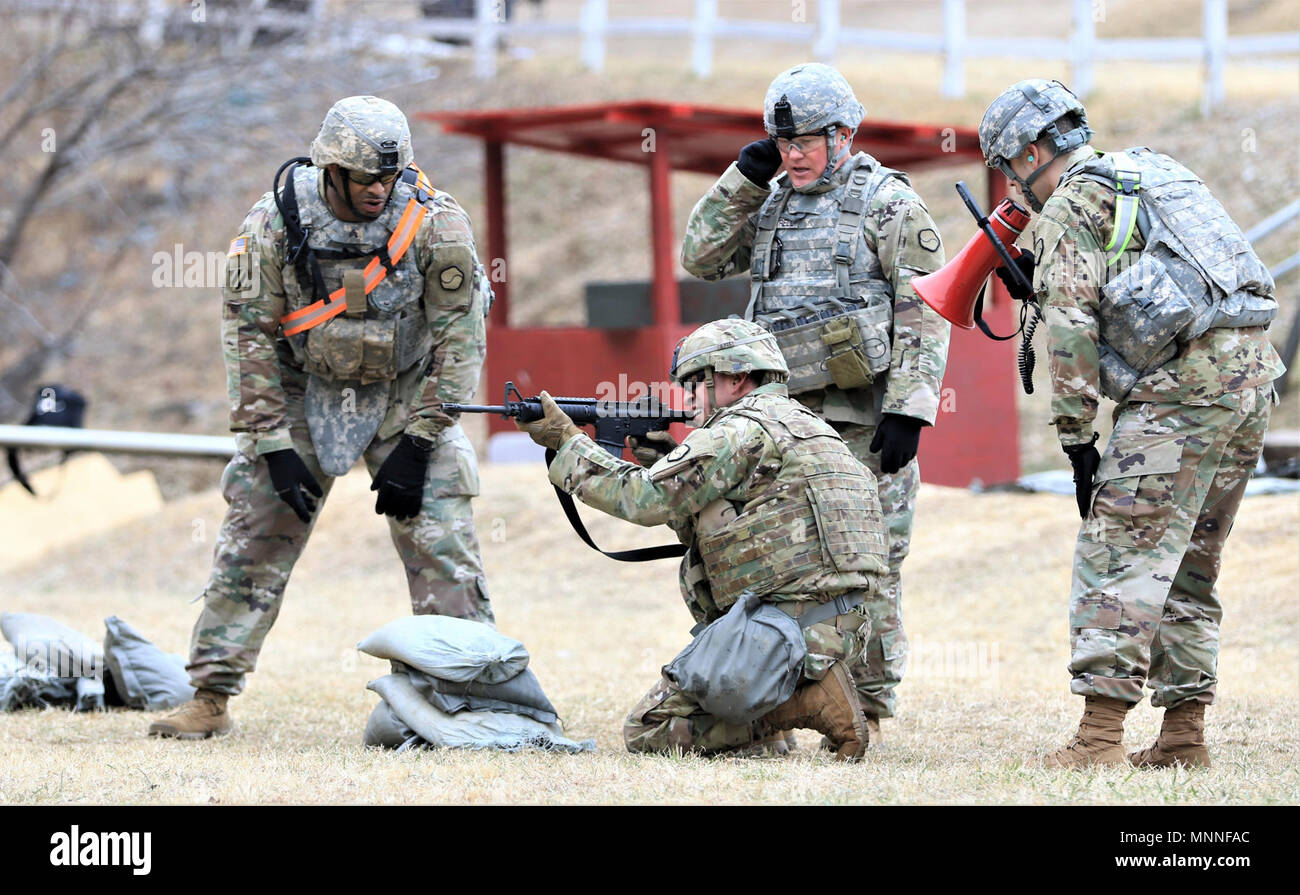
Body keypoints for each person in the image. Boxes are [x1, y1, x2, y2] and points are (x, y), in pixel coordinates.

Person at [150, 95, 494, 739]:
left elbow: (461, 339)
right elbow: (247, 331)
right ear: (330, 170)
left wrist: (421, 444)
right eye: (366, 177)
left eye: (389, 176)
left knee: (443, 542)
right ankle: (210, 696)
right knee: (253, 537)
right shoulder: (273, 224)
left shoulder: (436, 224)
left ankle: (472, 697)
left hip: (408, 393)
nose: (379, 189)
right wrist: (270, 442)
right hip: (303, 388)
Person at [979, 78, 1284, 769]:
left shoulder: (1070, 204)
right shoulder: (1151, 172)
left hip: (1181, 393)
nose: (1011, 187)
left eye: (1008, 168)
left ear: (1032, 151)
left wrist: (1077, 439)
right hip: (1249, 380)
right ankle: (1182, 735)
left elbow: (1071, 332)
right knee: (1191, 563)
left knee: (1119, 551)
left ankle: (1099, 737)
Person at [677, 63, 950, 741]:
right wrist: (745, 176)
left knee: (868, 563)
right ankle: (764, 705)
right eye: (782, 140)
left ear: (844, 134)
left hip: (861, 425)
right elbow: (700, 255)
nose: (793, 153)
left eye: (806, 140)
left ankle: (868, 708)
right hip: (776, 427)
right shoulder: (769, 204)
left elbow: (925, 308)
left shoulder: (887, 204)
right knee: (762, 562)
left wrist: (910, 408)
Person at [518, 318, 890, 760]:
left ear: (735, 377)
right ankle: (771, 721)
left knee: (651, 730)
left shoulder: (738, 431)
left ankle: (805, 704)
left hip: (786, 634)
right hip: (839, 628)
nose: (687, 398)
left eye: (695, 383)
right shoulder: (807, 426)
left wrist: (567, 443)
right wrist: (661, 459)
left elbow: (643, 498)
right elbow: (737, 525)